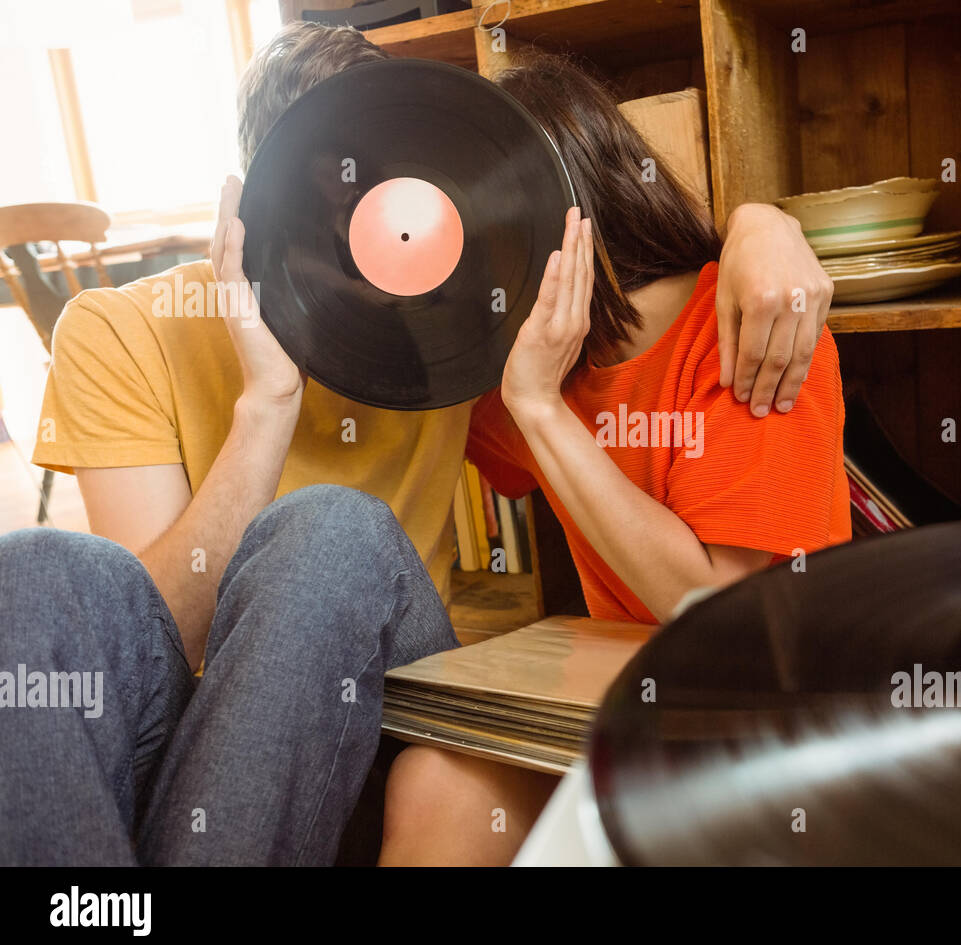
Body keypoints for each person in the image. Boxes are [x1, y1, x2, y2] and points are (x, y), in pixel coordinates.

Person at [0, 22, 834, 865]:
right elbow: (160, 643)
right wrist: (270, 397)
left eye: (390, 200)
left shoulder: (458, 350)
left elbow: (701, 588)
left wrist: (764, 227)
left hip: (370, 706)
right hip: (172, 729)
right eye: (324, 202)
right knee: (29, 565)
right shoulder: (122, 327)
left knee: (329, 530)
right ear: (263, 195)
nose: (366, 247)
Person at [379, 55, 849, 866]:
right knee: (431, 781)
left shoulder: (744, 330)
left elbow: (714, 605)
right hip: (617, 700)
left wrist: (540, 409)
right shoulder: (528, 359)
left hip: (771, 701)